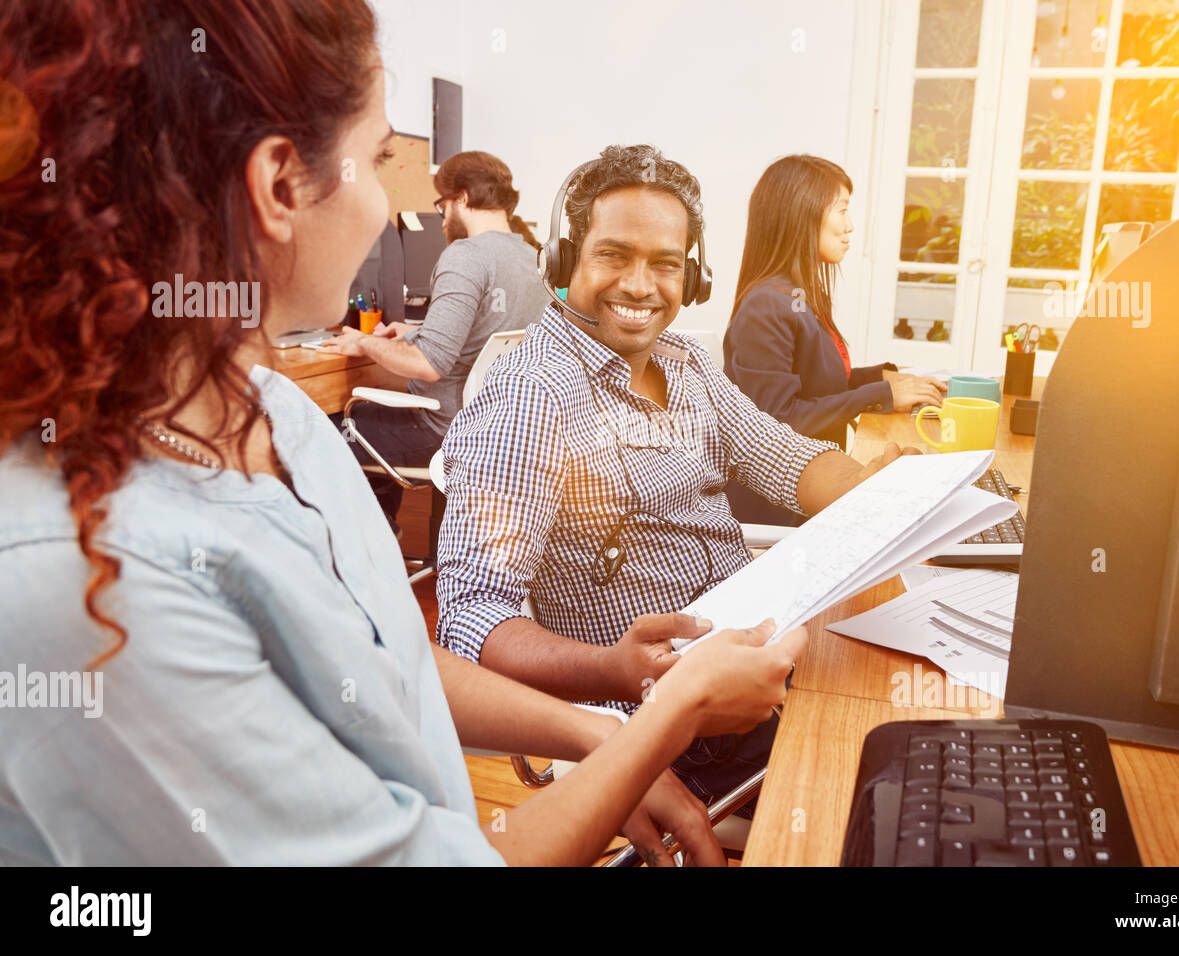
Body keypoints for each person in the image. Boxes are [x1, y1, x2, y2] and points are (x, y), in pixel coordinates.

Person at [0, 0, 806, 867]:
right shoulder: (88, 583)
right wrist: (675, 711)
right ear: (279, 186)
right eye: (380, 159)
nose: (392, 202)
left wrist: (600, 729)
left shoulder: (282, 418)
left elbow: (390, 669)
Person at [436, 144, 917, 816]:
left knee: (927, 748)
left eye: (665, 264)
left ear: (692, 277)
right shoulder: (533, 397)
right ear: (564, 260)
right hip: (679, 730)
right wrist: (613, 672)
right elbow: (471, 618)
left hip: (761, 666)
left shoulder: (684, 363)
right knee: (886, 806)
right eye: (613, 255)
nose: (640, 285)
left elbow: (788, 457)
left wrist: (878, 485)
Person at [321, 150, 550, 529]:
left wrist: (364, 343)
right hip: (494, 429)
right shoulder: (531, 256)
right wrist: (417, 332)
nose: (442, 216)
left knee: (322, 430)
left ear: (461, 198)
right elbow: (490, 331)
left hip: (440, 431)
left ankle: (369, 555)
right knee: (364, 422)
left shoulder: (466, 255)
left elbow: (428, 365)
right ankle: (385, 541)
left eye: (442, 203)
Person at [724, 155, 946, 525]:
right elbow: (780, 422)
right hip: (779, 509)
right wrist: (881, 397)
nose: (850, 225)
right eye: (841, 210)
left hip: (813, 489)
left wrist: (883, 378)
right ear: (801, 213)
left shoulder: (797, 295)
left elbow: (816, 385)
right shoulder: (767, 305)